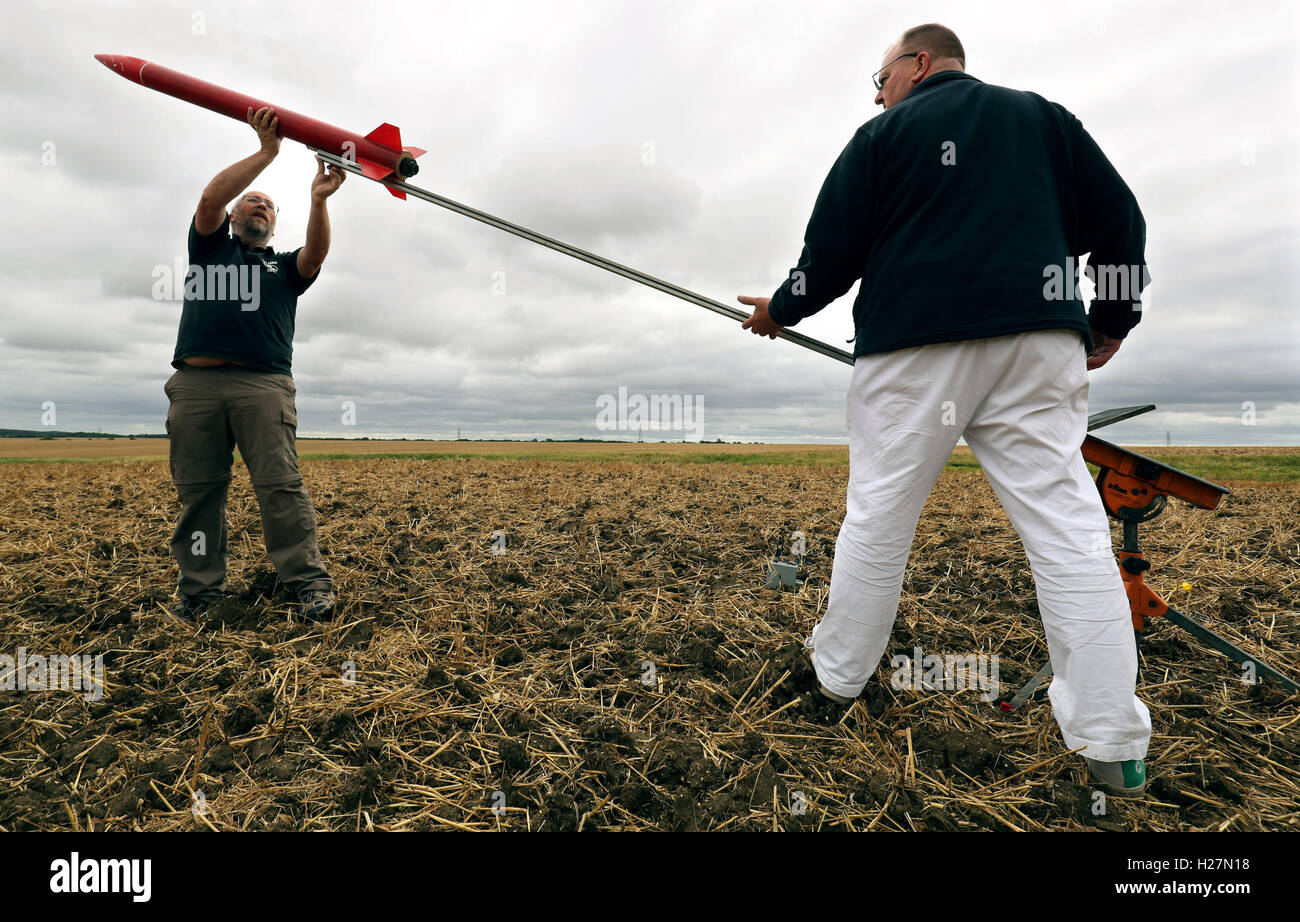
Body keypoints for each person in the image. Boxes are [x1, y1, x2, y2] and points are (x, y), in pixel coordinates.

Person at [738, 24, 1152, 797]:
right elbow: (1120, 220)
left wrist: (782, 311)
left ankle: (836, 681)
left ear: (918, 62)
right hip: (1038, 341)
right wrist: (1113, 317)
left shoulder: (883, 134)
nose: (876, 90)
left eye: (881, 74)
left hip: (911, 346)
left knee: (880, 515)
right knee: (1067, 528)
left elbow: (830, 253)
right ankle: (1112, 743)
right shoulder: (1046, 121)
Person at [165, 106, 344, 622]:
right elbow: (208, 198)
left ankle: (307, 585)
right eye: (252, 201)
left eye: (268, 204)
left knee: (280, 486)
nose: (260, 205)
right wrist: (267, 153)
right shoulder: (209, 250)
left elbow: (316, 253)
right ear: (235, 216)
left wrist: (317, 199)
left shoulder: (283, 268)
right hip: (195, 385)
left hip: (263, 386)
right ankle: (200, 593)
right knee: (199, 494)